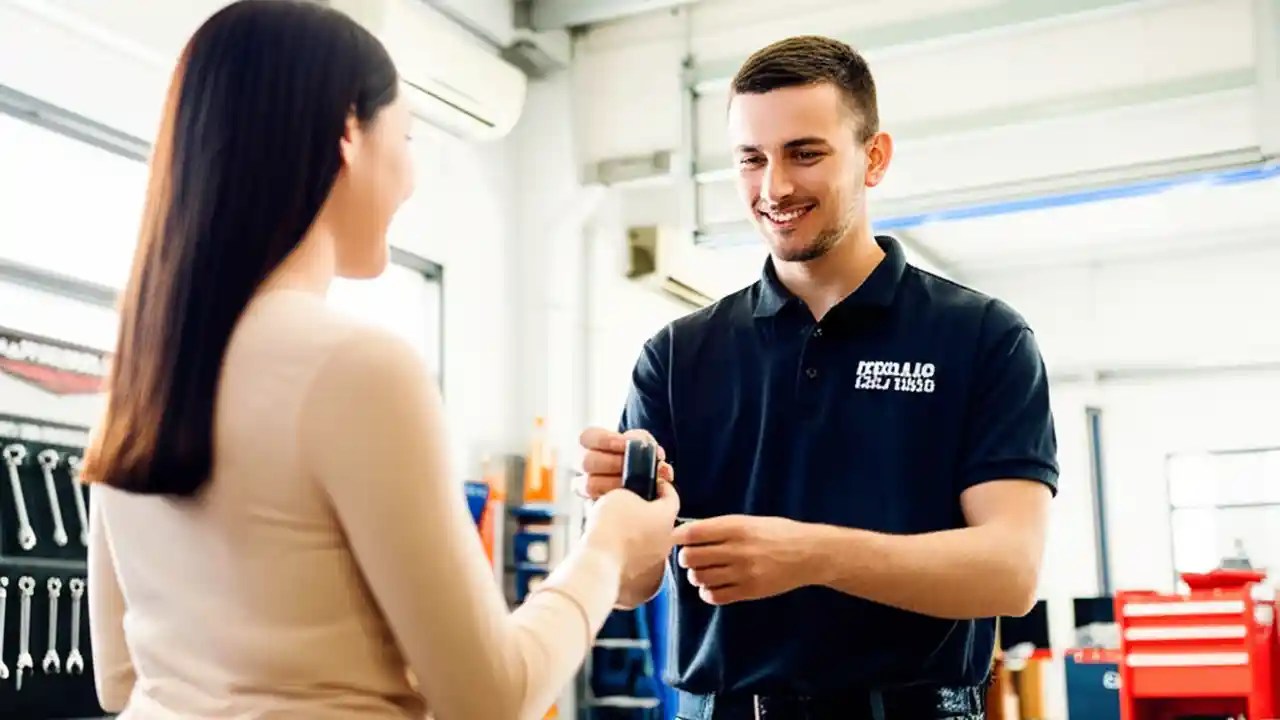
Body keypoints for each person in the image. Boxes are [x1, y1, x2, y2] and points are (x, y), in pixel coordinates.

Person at [82, 2, 678, 718]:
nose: (412, 178)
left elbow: (120, 679)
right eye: (408, 137)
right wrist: (606, 547)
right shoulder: (356, 369)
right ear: (347, 135)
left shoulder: (138, 370)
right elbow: (490, 697)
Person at [578, 35, 1057, 720]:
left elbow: (1012, 573)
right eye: (752, 159)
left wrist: (813, 555)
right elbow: (631, 586)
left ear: (874, 158)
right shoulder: (678, 355)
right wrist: (612, 515)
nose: (774, 187)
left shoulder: (981, 338)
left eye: (805, 153)